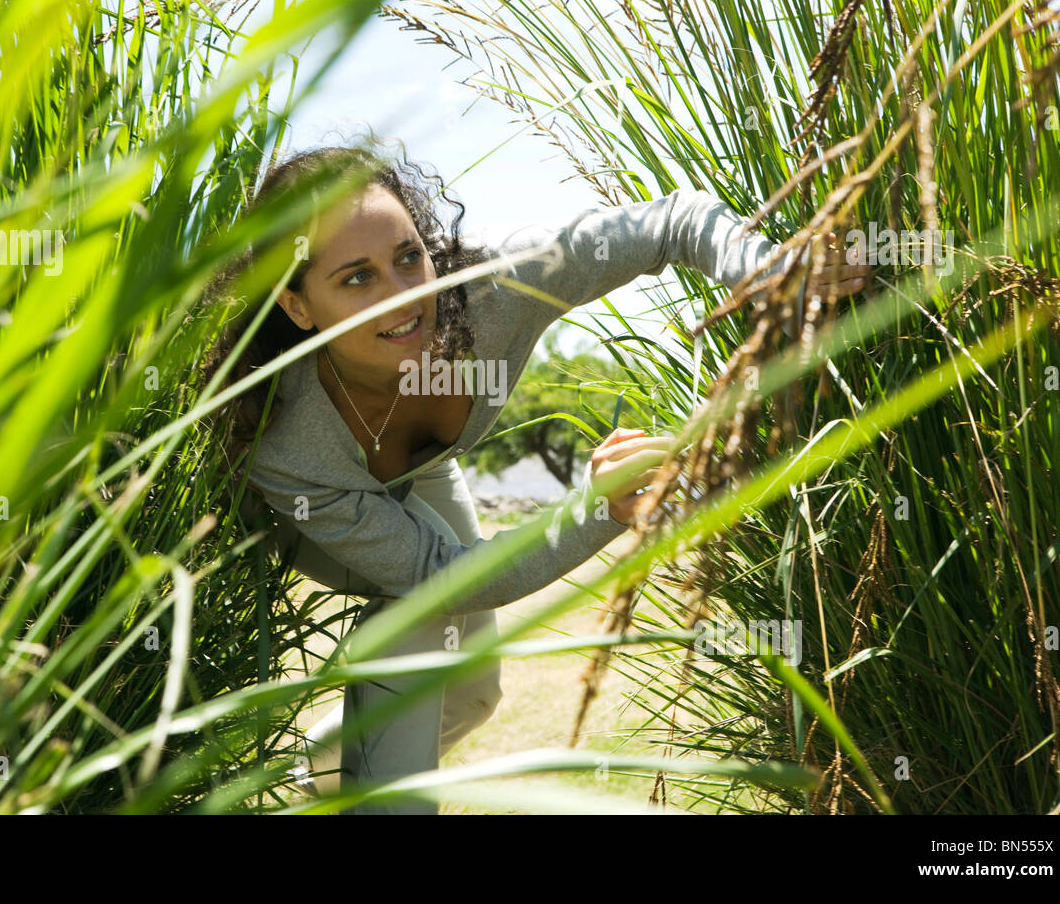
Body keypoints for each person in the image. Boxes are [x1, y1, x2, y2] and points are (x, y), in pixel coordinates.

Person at [200, 135, 866, 814]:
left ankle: (306, 775)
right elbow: (439, 580)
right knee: (419, 613)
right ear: (298, 307)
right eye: (357, 278)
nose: (404, 297)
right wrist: (597, 510)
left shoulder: (498, 283)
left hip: (422, 468)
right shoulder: (286, 443)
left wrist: (766, 267)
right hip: (300, 517)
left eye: (408, 257)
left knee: (473, 693)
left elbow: (673, 221)